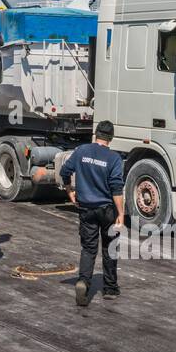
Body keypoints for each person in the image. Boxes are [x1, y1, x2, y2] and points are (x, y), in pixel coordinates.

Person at [60, 119, 125, 307]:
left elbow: (65, 170)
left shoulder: (81, 151)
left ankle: (84, 282)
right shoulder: (114, 159)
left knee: (88, 249)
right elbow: (116, 188)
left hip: (86, 208)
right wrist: (120, 213)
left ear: (96, 134)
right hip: (107, 210)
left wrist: (69, 189)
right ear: (110, 138)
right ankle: (110, 289)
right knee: (109, 248)